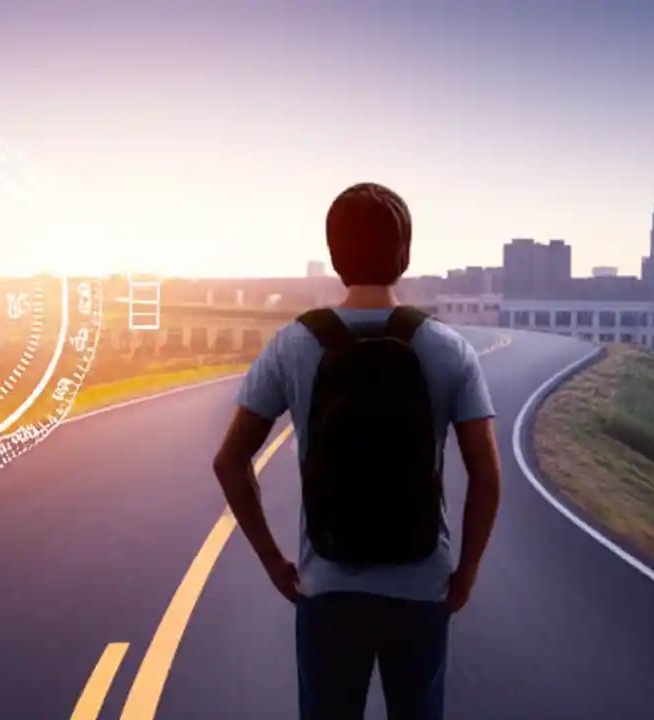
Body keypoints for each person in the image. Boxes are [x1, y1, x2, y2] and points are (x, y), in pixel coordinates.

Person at [212, 182, 502, 719]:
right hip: (421, 589)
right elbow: (486, 475)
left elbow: (229, 462)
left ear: (334, 255)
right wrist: (466, 572)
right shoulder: (448, 349)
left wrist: (276, 563)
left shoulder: (293, 345)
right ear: (405, 252)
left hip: (326, 587)